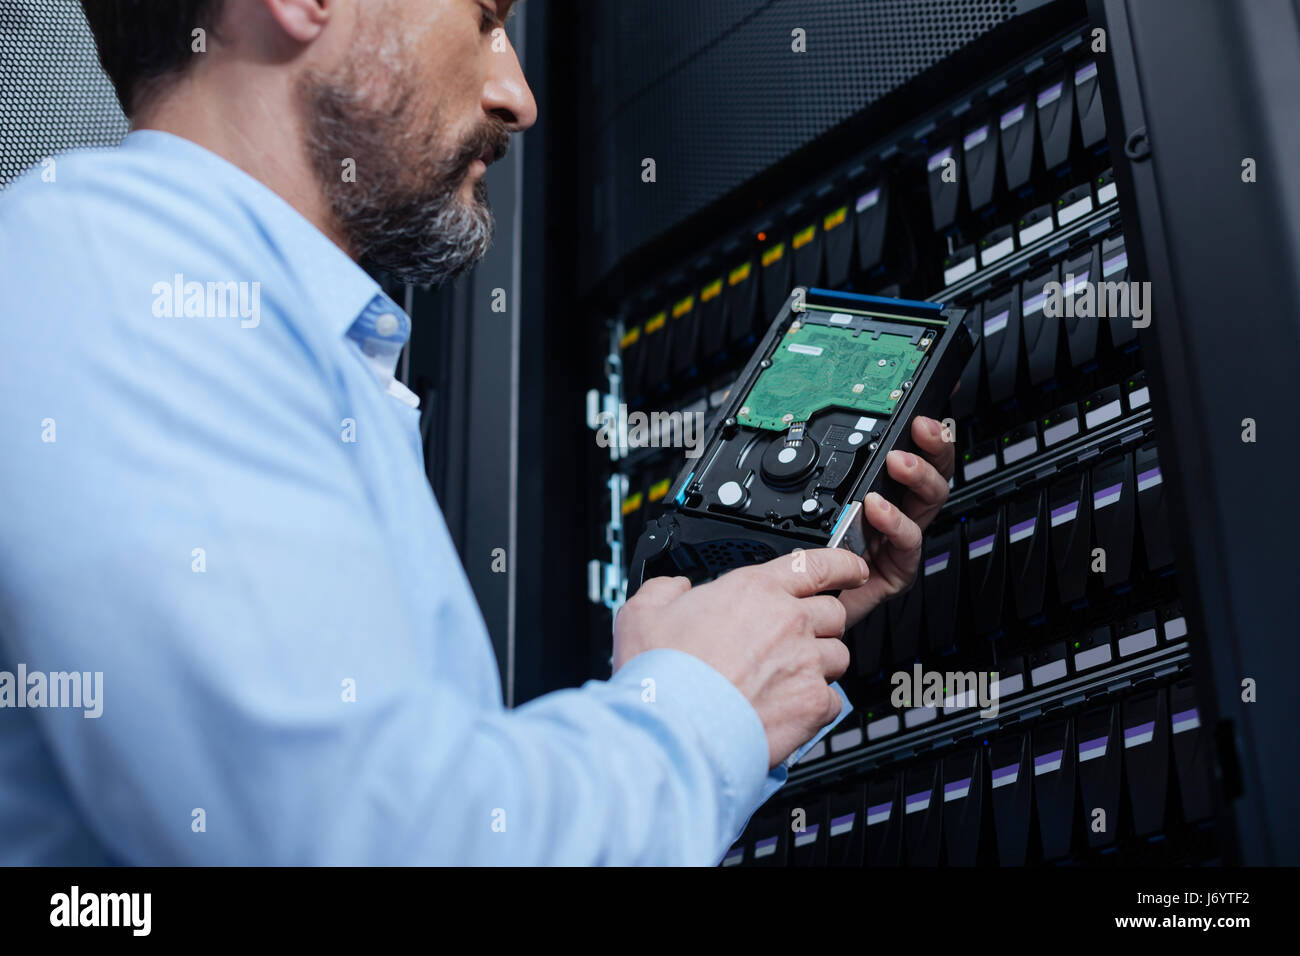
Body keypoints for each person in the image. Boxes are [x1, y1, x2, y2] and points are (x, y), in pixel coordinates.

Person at [0, 0, 952, 865]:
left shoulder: (281, 343)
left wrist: (732, 643)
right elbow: (375, 845)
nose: (519, 97)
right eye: (485, 19)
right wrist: (701, 705)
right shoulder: (119, 276)